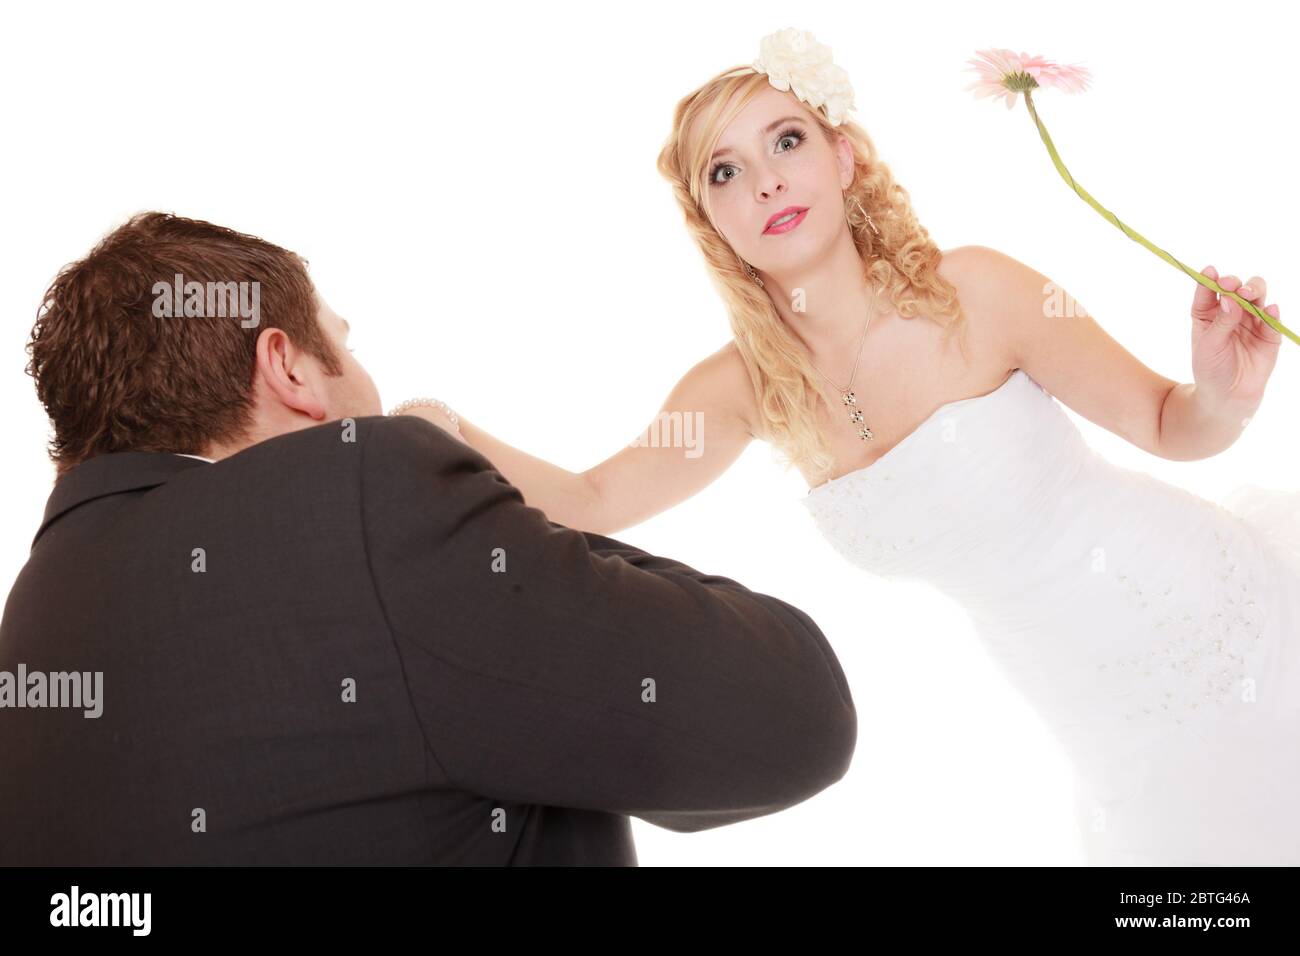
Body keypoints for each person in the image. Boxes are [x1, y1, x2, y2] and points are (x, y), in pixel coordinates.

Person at [416, 29, 1298, 865]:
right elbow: (592, 502)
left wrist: (1223, 395)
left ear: (843, 157)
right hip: (1085, 705)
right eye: (726, 170)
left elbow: (1168, 425)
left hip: (1212, 612)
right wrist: (439, 427)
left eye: (787, 141)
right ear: (707, 216)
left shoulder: (978, 290)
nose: (764, 182)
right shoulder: (737, 393)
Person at [0, 211, 856, 866]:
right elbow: (794, 718)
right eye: (341, 341)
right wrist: (472, 486)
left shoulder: (36, 614)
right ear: (289, 369)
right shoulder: (366, 491)